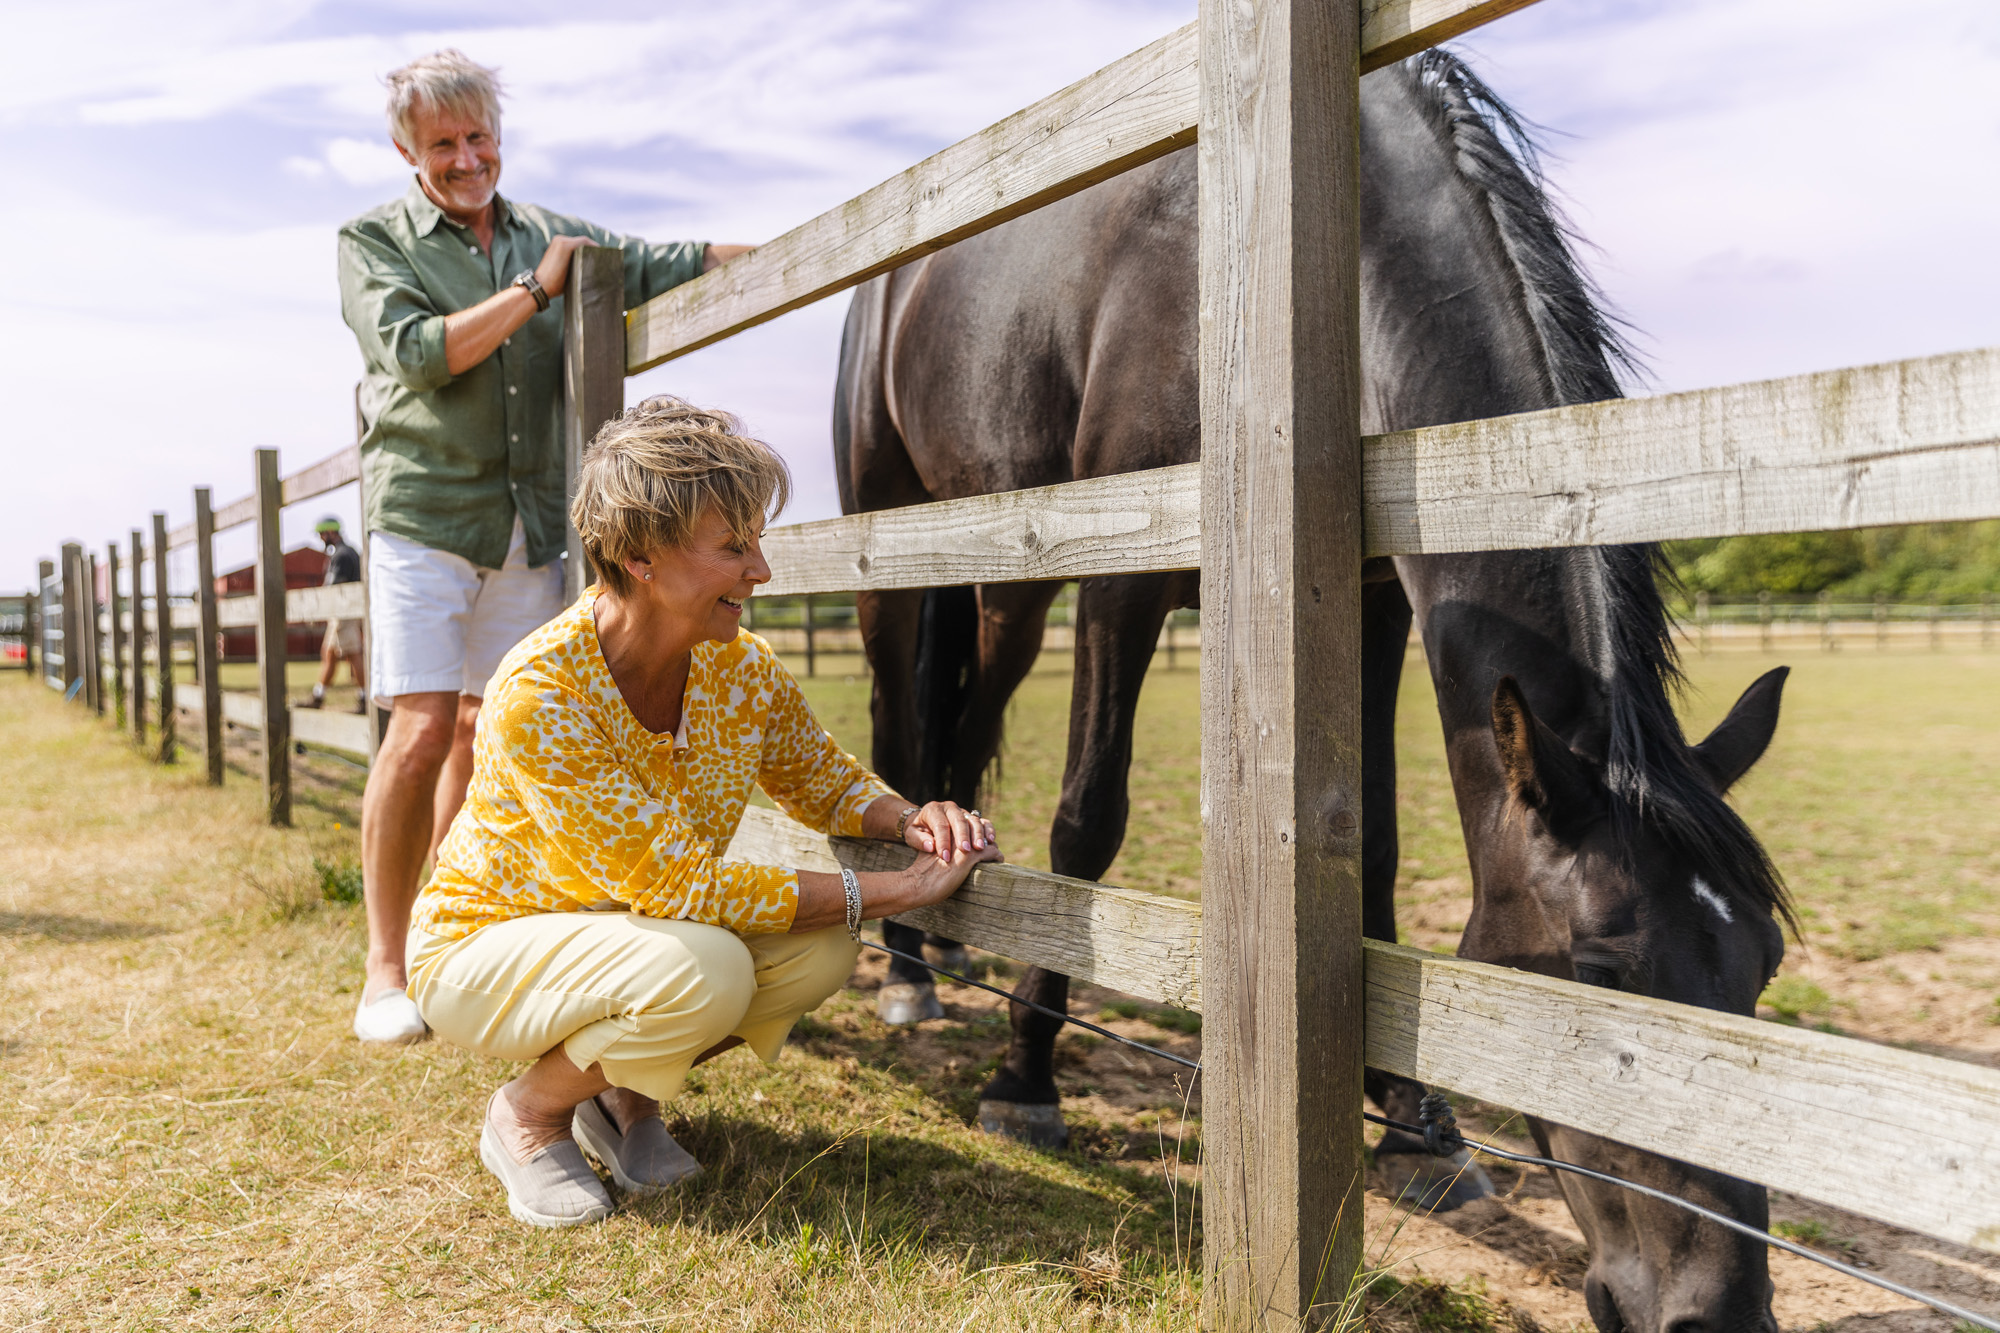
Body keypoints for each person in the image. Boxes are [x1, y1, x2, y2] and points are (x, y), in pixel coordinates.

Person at [404, 398, 1000, 1227]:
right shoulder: (542, 692)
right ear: (640, 556)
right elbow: (678, 885)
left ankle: (620, 1098)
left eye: (757, 543)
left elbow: (823, 779)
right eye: (734, 547)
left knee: (822, 948)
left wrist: (911, 820)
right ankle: (529, 1113)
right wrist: (899, 892)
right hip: (486, 945)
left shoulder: (740, 666)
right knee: (708, 970)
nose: (761, 570)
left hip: (633, 934)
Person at [338, 49, 756, 1044]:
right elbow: (418, 355)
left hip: (532, 517)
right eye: (443, 143)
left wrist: (794, 253)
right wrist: (536, 288)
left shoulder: (545, 231)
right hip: (427, 513)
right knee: (420, 729)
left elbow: (655, 260)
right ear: (407, 150)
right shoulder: (373, 240)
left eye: (478, 136)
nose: (466, 158)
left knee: (488, 731)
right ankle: (384, 966)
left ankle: (444, 922)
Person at [300, 517, 366, 713]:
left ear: (331, 532)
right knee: (329, 653)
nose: (321, 538)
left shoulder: (342, 555)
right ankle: (318, 695)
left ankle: (365, 698)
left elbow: (333, 587)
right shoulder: (349, 552)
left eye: (322, 534)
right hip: (346, 611)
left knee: (353, 654)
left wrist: (318, 609)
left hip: (344, 613)